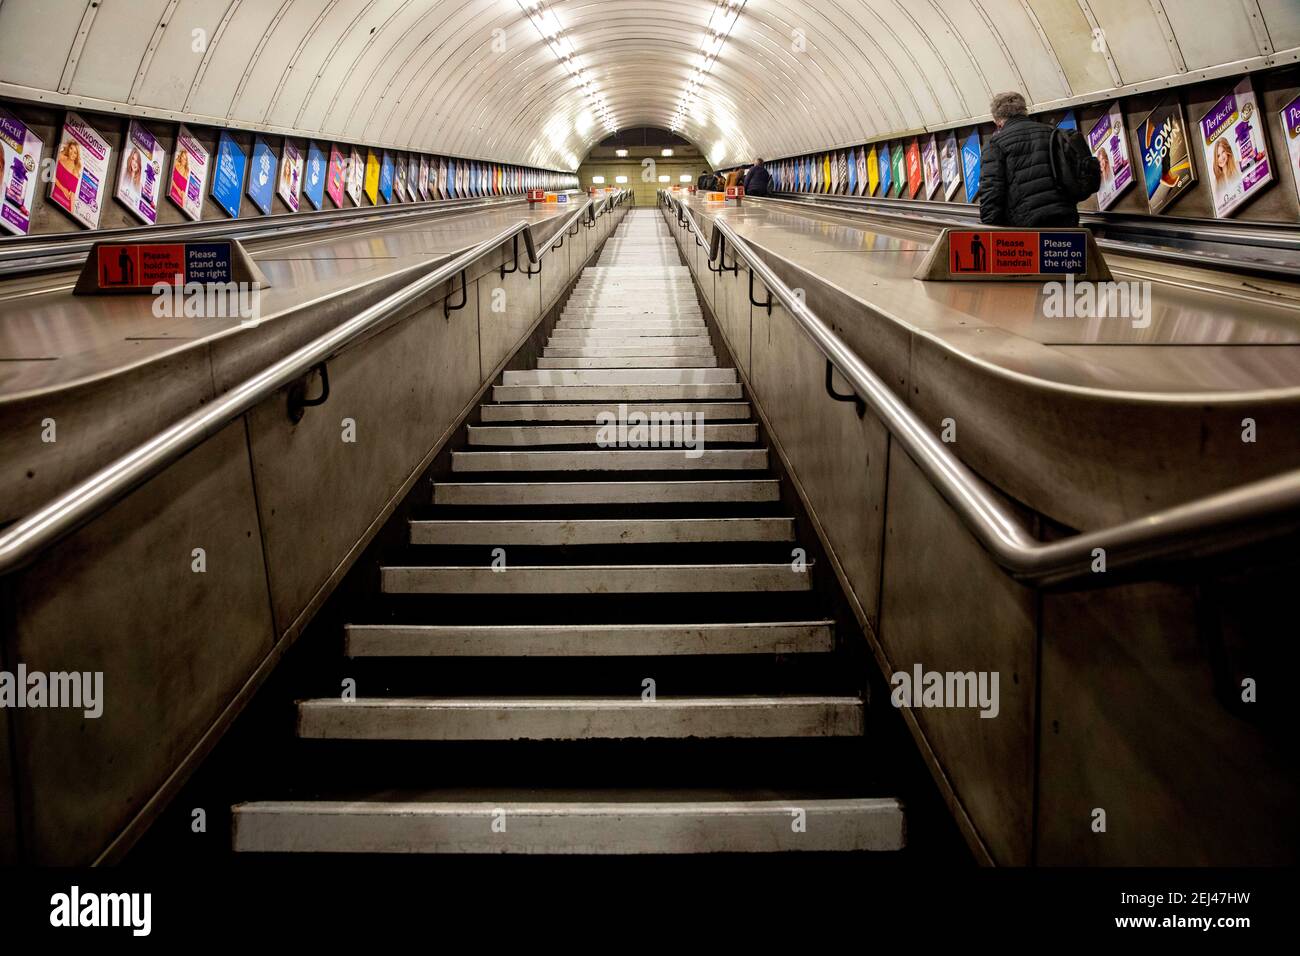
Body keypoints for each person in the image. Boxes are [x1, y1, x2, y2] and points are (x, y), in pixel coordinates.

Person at [979, 92, 1081, 227]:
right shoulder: (1053, 133)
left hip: (1025, 224)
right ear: (1025, 111)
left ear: (997, 120)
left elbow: (992, 188)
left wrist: (989, 226)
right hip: (1064, 217)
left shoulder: (995, 144)